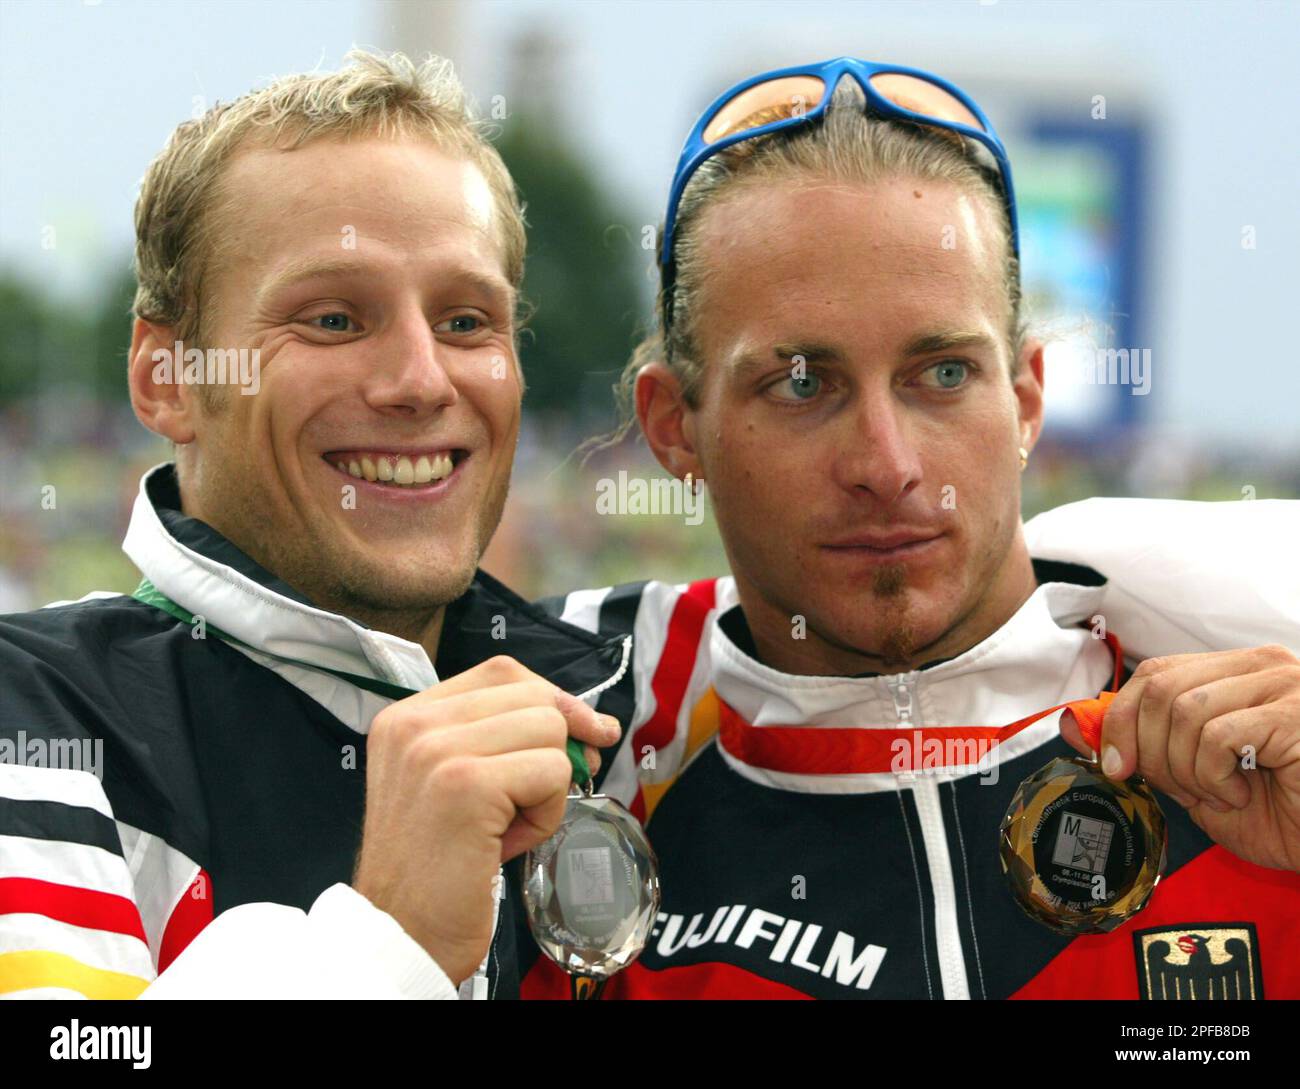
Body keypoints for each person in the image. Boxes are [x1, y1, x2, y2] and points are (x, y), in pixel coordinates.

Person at [517, 58, 1300, 999]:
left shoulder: (1261, 754)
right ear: (674, 426)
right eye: (802, 383)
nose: (887, 465)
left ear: (1025, 399)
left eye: (942, 375)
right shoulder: (558, 783)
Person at [0, 49, 626, 1000]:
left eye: (466, 322)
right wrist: (387, 946)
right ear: (166, 378)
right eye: (334, 320)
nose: (421, 380)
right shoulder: (36, 723)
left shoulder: (633, 696)